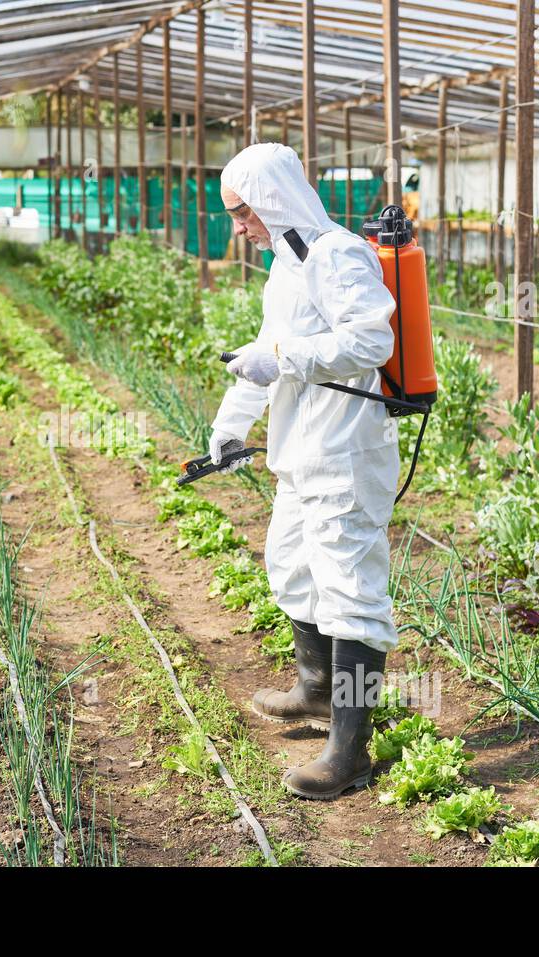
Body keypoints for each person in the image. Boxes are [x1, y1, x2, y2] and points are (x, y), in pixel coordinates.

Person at [210, 142, 399, 800]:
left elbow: (374, 340)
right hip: (301, 452)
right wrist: (227, 431)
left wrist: (286, 356)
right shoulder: (285, 268)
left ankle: (350, 750)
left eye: (243, 212)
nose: (238, 225)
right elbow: (265, 357)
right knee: (289, 564)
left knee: (351, 592)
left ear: (272, 200)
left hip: (345, 452)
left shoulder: (338, 253)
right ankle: (317, 687)